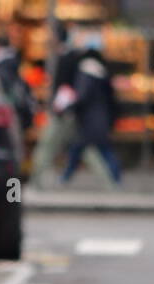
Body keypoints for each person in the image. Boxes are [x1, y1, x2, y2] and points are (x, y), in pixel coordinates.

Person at [31, 22, 114, 188]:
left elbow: (71, 88)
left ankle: (36, 182)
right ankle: (109, 183)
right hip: (70, 112)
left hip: (64, 112)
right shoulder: (72, 57)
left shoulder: (66, 58)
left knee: (48, 147)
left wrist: (61, 106)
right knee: (85, 148)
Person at [60, 39, 121, 185]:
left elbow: (82, 95)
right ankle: (66, 176)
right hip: (99, 117)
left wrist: (70, 107)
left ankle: (114, 179)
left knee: (97, 149)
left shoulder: (86, 72)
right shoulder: (101, 72)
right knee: (86, 148)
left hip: (89, 119)